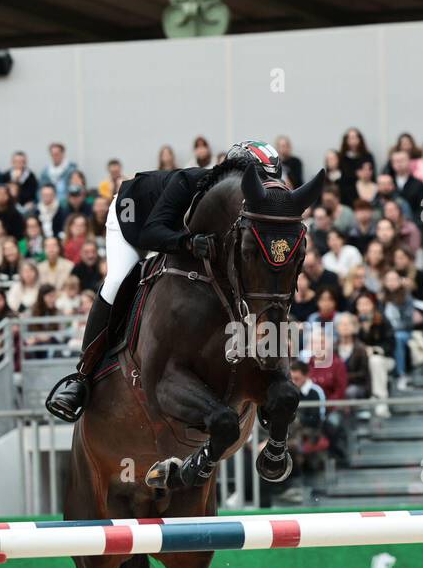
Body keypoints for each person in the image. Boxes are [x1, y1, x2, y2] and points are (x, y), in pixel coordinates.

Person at [47, 141, 289, 421]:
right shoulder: (189, 182)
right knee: (118, 280)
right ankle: (81, 377)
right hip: (135, 219)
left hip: (170, 231)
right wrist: (187, 242)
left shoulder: (242, 213)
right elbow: (152, 234)